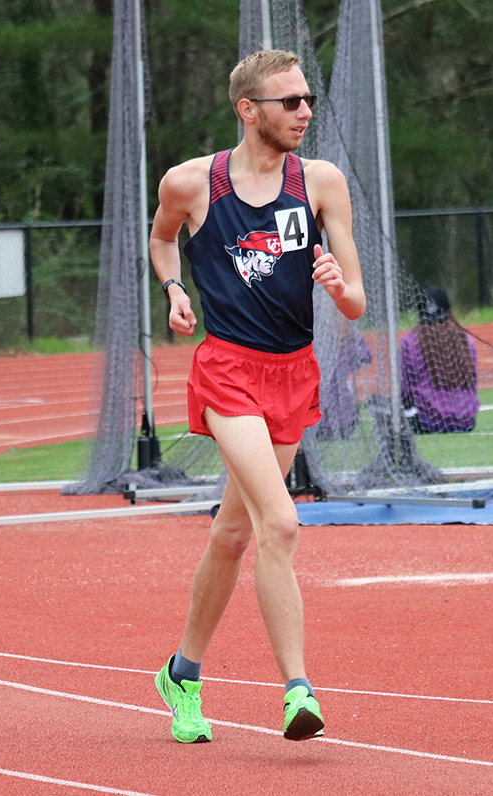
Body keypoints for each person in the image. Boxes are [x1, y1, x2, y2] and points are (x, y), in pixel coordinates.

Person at [147, 49, 366, 744]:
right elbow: (162, 240)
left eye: (308, 100)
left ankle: (182, 672)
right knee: (282, 522)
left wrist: (338, 285)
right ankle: (298, 690)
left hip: (294, 373)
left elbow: (357, 302)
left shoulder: (321, 182)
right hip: (228, 372)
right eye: (290, 102)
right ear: (249, 110)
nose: (305, 112)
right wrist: (174, 289)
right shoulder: (192, 183)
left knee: (233, 533)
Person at [399, 286, 478, 433]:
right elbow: (473, 383)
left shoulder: (409, 341)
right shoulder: (467, 341)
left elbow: (404, 387)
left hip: (428, 421)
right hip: (466, 421)